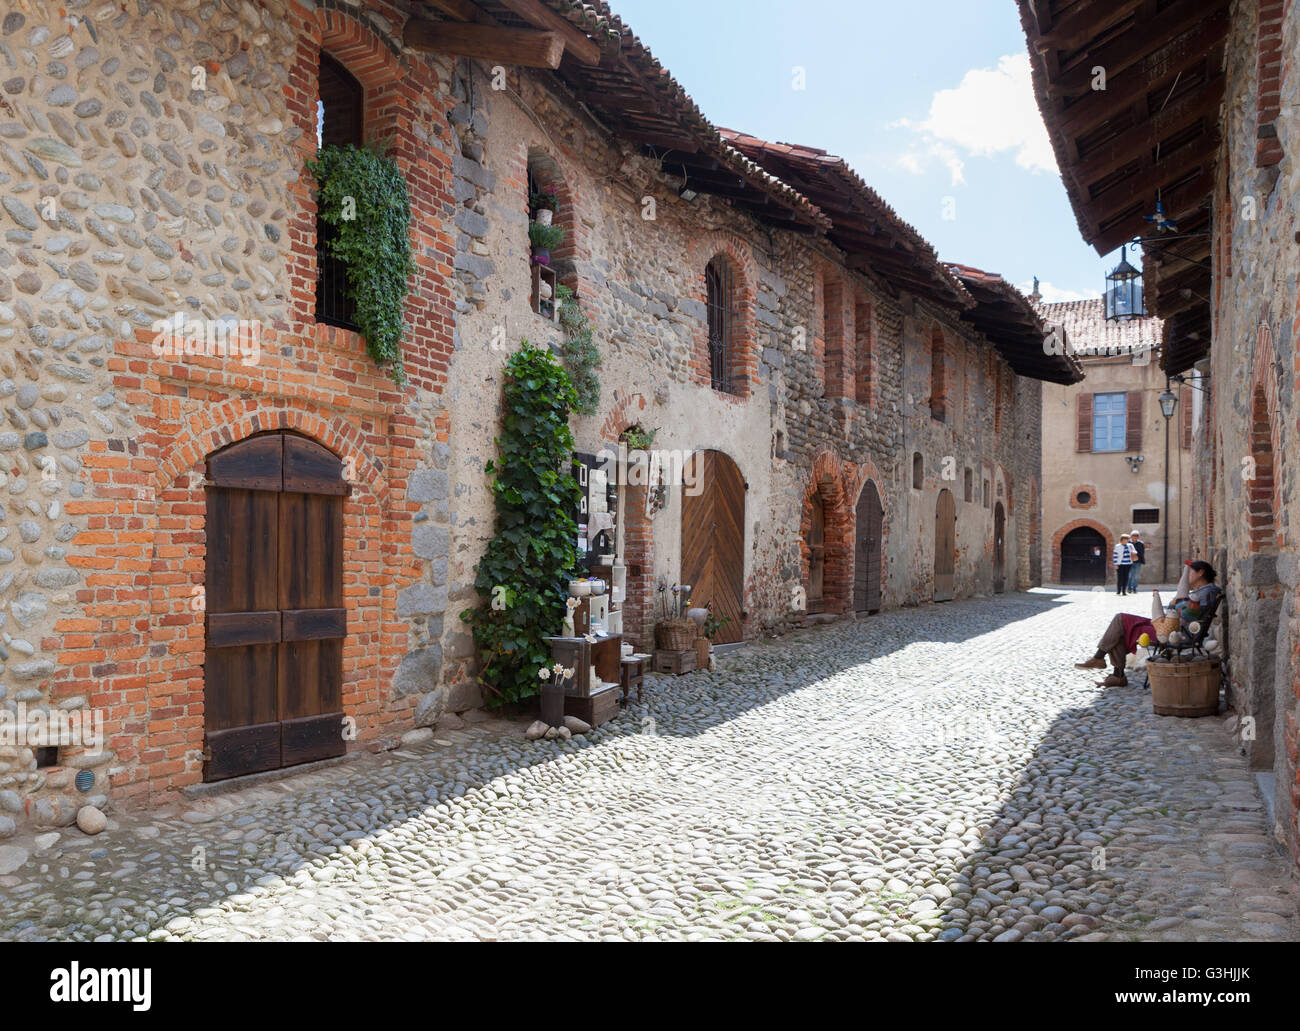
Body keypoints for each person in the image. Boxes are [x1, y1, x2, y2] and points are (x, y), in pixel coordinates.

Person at [1075, 559, 1222, 686]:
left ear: (1201, 572)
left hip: (1175, 633)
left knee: (1122, 623)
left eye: (1190, 573)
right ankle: (1106, 665)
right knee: (1122, 620)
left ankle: (1109, 668)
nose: (1187, 577)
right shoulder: (1203, 591)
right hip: (1171, 627)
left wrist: (1174, 604)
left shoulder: (1205, 592)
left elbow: (1186, 614)